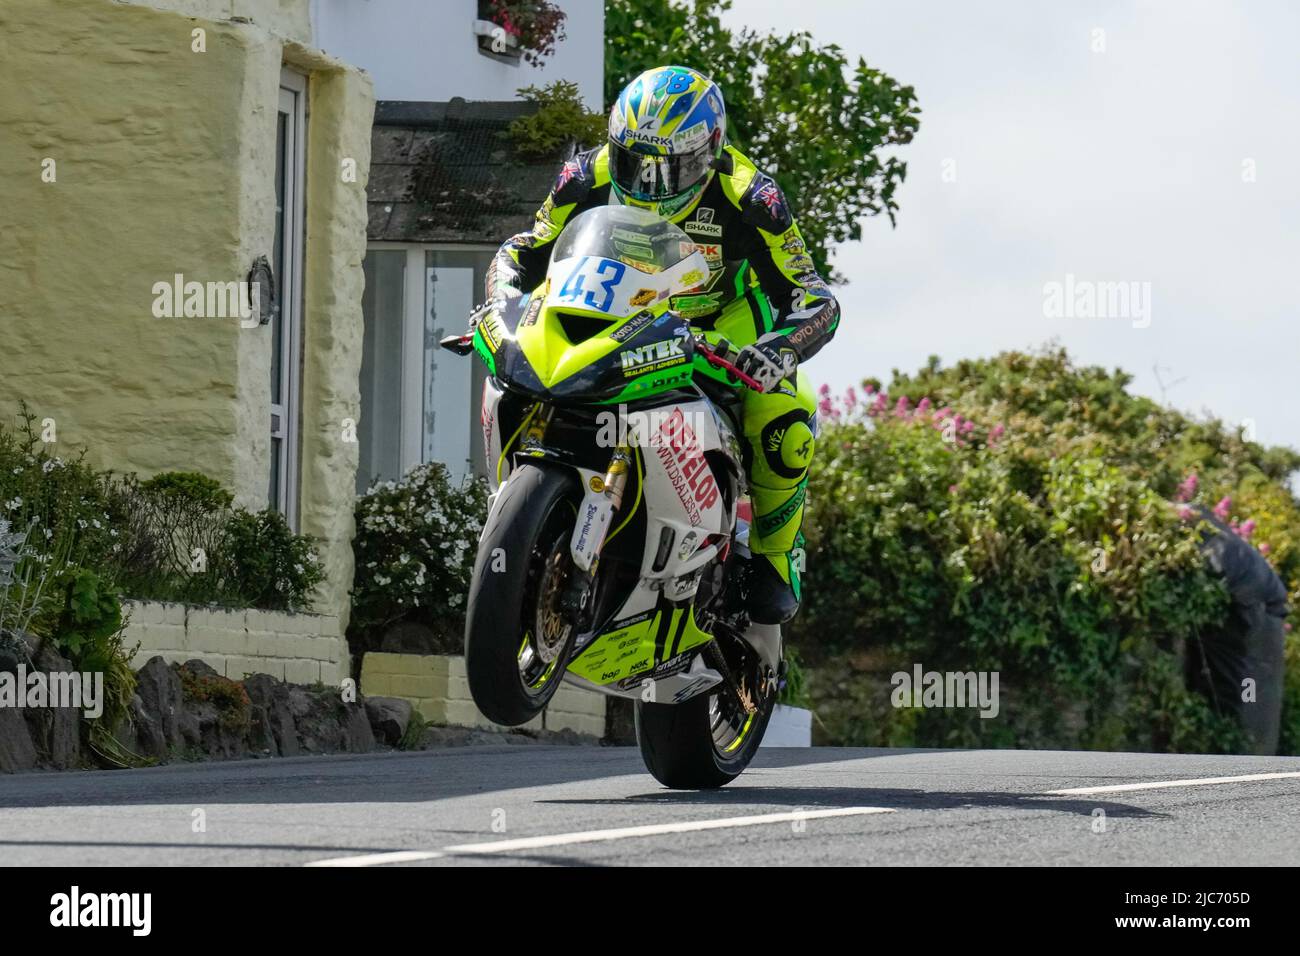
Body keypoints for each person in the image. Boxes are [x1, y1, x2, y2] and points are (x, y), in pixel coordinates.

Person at [485, 65, 840, 624]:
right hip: (613, 313)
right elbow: (527, 249)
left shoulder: (752, 196)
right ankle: (524, 501)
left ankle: (775, 557)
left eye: (672, 166)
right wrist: (500, 293)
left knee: (784, 417)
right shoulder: (584, 175)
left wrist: (780, 349)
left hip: (721, 323)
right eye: (635, 163)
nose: (650, 183)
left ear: (713, 148)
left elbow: (815, 296)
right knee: (516, 364)